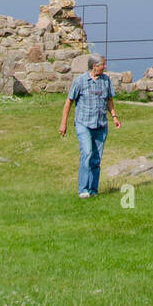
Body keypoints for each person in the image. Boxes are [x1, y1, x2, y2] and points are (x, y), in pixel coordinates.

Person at [59, 54, 121, 198]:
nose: (105, 67)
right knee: (87, 153)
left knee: (96, 158)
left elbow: (109, 100)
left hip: (100, 124)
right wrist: (63, 123)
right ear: (94, 66)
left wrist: (114, 117)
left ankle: (93, 190)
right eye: (102, 65)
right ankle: (83, 190)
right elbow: (69, 102)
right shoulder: (79, 81)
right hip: (83, 124)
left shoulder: (105, 80)